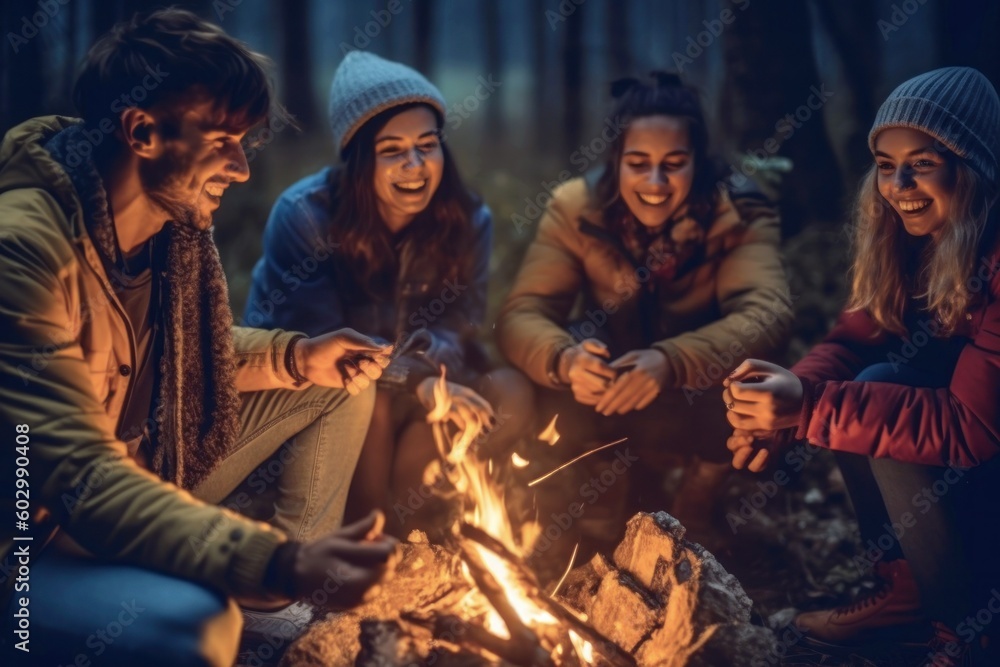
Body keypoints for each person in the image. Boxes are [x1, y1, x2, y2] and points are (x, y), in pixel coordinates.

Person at [0, 10, 399, 666]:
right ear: (142, 131)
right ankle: (269, 579)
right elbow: (79, 478)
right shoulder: (24, 251)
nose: (241, 168)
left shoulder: (165, 231)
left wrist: (299, 357)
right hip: (35, 539)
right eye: (222, 140)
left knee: (335, 384)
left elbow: (183, 360)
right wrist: (273, 560)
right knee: (194, 625)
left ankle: (281, 613)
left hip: (151, 464)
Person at [723, 67, 1000, 665]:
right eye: (885, 164)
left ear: (973, 168)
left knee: (877, 391)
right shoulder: (906, 240)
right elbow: (852, 341)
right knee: (866, 380)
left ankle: (968, 631)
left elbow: (971, 426)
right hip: (970, 480)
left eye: (923, 163)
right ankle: (906, 594)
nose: (898, 185)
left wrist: (808, 408)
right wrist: (786, 399)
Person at [495, 72, 792, 556]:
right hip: (613, 382)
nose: (655, 182)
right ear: (616, 160)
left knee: (754, 382)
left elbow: (768, 312)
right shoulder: (577, 206)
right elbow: (522, 313)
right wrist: (566, 361)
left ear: (698, 160)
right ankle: (602, 485)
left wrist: (672, 360)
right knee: (547, 369)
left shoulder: (738, 210)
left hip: (697, 389)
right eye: (638, 163)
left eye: (674, 164)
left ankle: (699, 498)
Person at [244, 51, 533, 537]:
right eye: (392, 150)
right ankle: (367, 538)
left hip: (422, 381)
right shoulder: (305, 216)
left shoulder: (468, 220)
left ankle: (411, 531)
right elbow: (326, 347)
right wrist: (414, 381)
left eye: (427, 145)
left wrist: (428, 384)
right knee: (368, 398)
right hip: (327, 392)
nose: (415, 165)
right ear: (360, 159)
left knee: (509, 392)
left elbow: (458, 323)